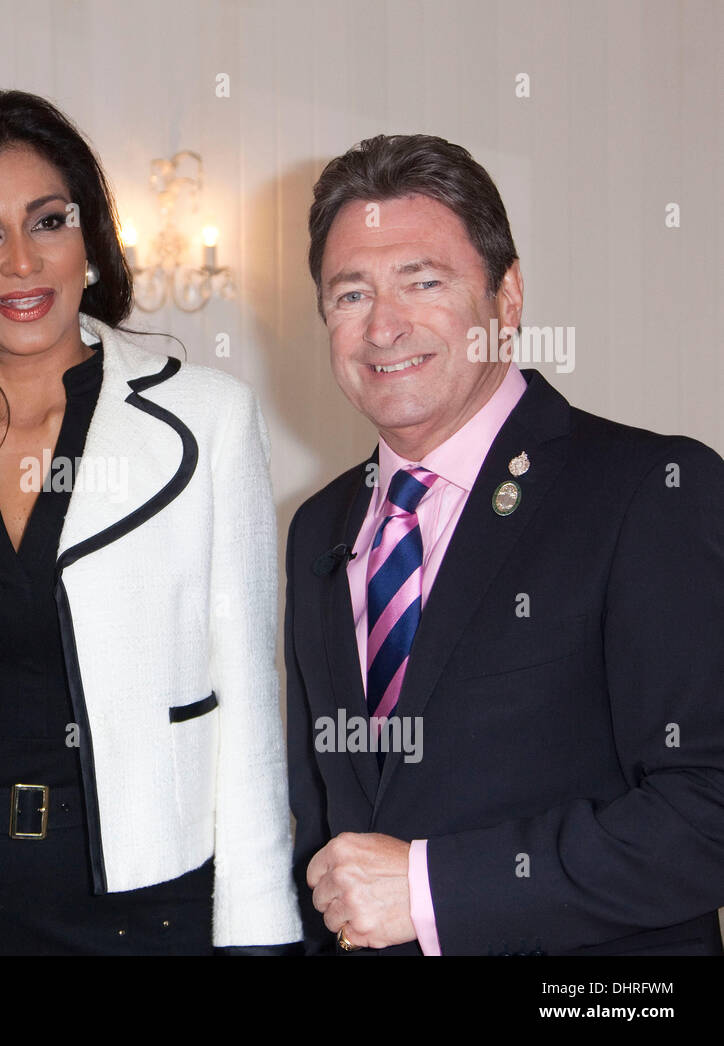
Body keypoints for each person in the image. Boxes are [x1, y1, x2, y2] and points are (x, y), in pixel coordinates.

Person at [0, 89, 297, 954]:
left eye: (48, 221)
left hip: (148, 906)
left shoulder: (208, 417)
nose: (21, 263)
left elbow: (248, 697)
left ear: (88, 242)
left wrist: (259, 931)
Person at [284, 133, 724, 956]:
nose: (384, 326)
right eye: (351, 294)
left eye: (424, 281)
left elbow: (709, 805)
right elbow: (325, 824)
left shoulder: (649, 490)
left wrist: (429, 890)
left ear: (508, 297)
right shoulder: (320, 527)